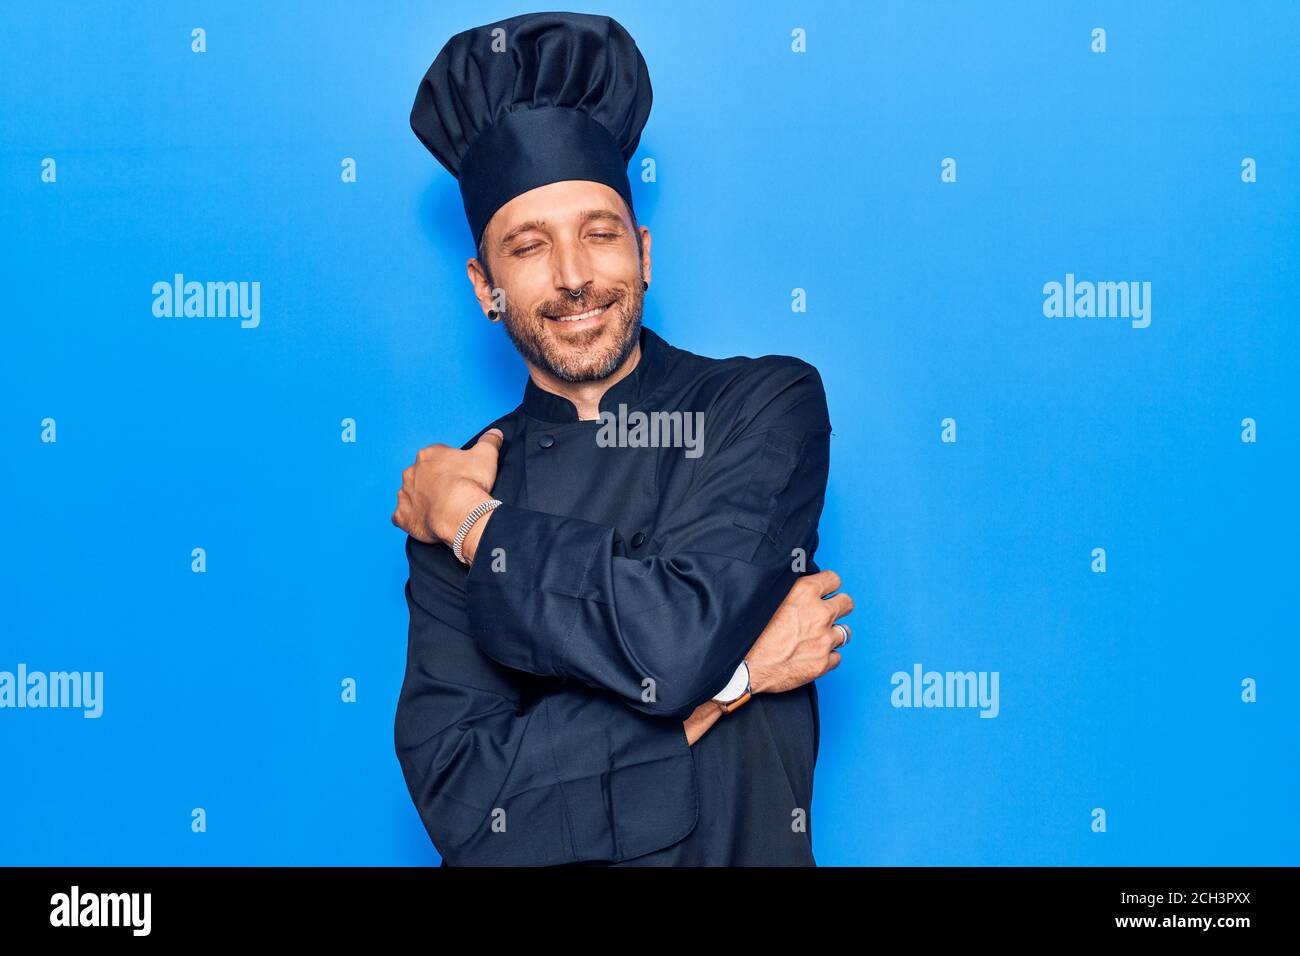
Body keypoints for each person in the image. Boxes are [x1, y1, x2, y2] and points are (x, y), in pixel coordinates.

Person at [392, 11, 853, 866]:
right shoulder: (465, 476)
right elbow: (472, 811)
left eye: (599, 234)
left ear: (641, 252)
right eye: (528, 247)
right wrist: (738, 678)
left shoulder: (761, 403)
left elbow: (673, 640)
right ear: (485, 285)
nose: (574, 276)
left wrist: (477, 530)